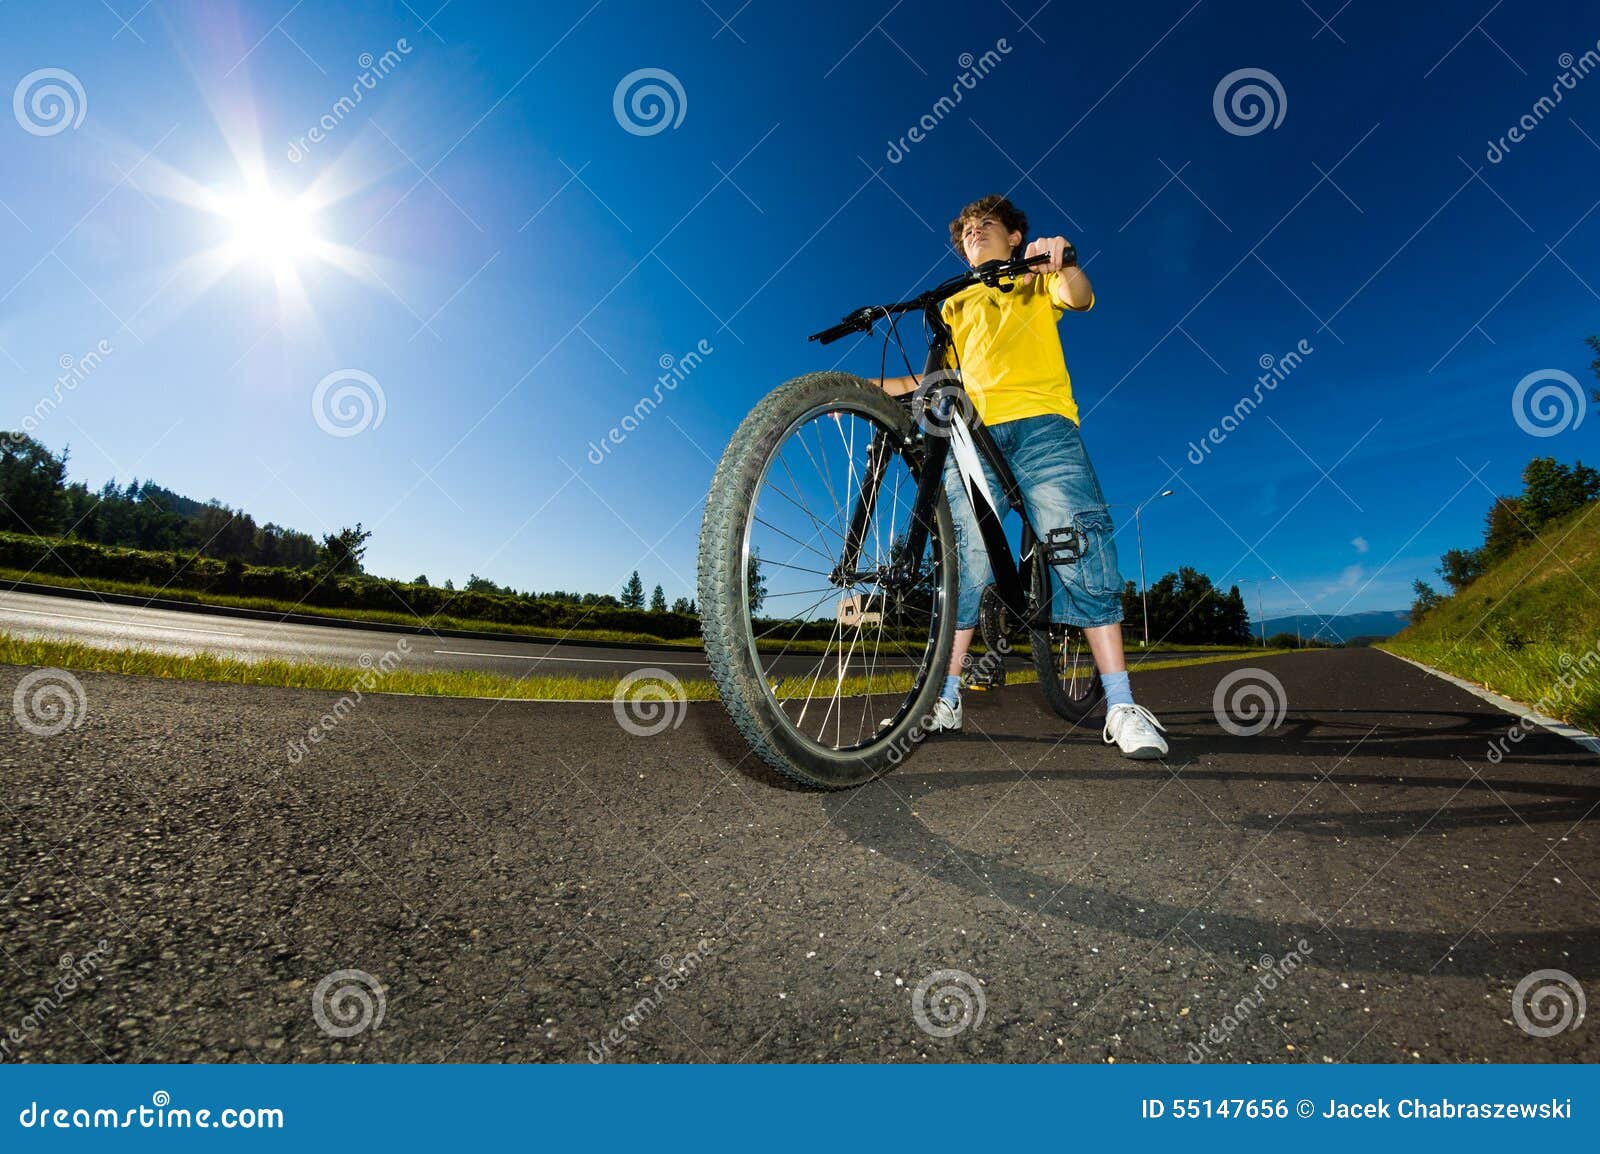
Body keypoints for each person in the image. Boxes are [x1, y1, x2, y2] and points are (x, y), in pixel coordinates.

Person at [876, 194, 1168, 759]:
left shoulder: (1034, 276)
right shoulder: (958, 301)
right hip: (976, 434)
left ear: (1014, 236)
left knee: (1075, 539)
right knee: (966, 558)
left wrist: (1064, 261)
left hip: (1042, 426)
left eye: (986, 226)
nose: (974, 234)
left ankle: (1122, 703)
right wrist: (864, 389)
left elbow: (1079, 296)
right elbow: (942, 376)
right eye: (965, 233)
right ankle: (948, 695)